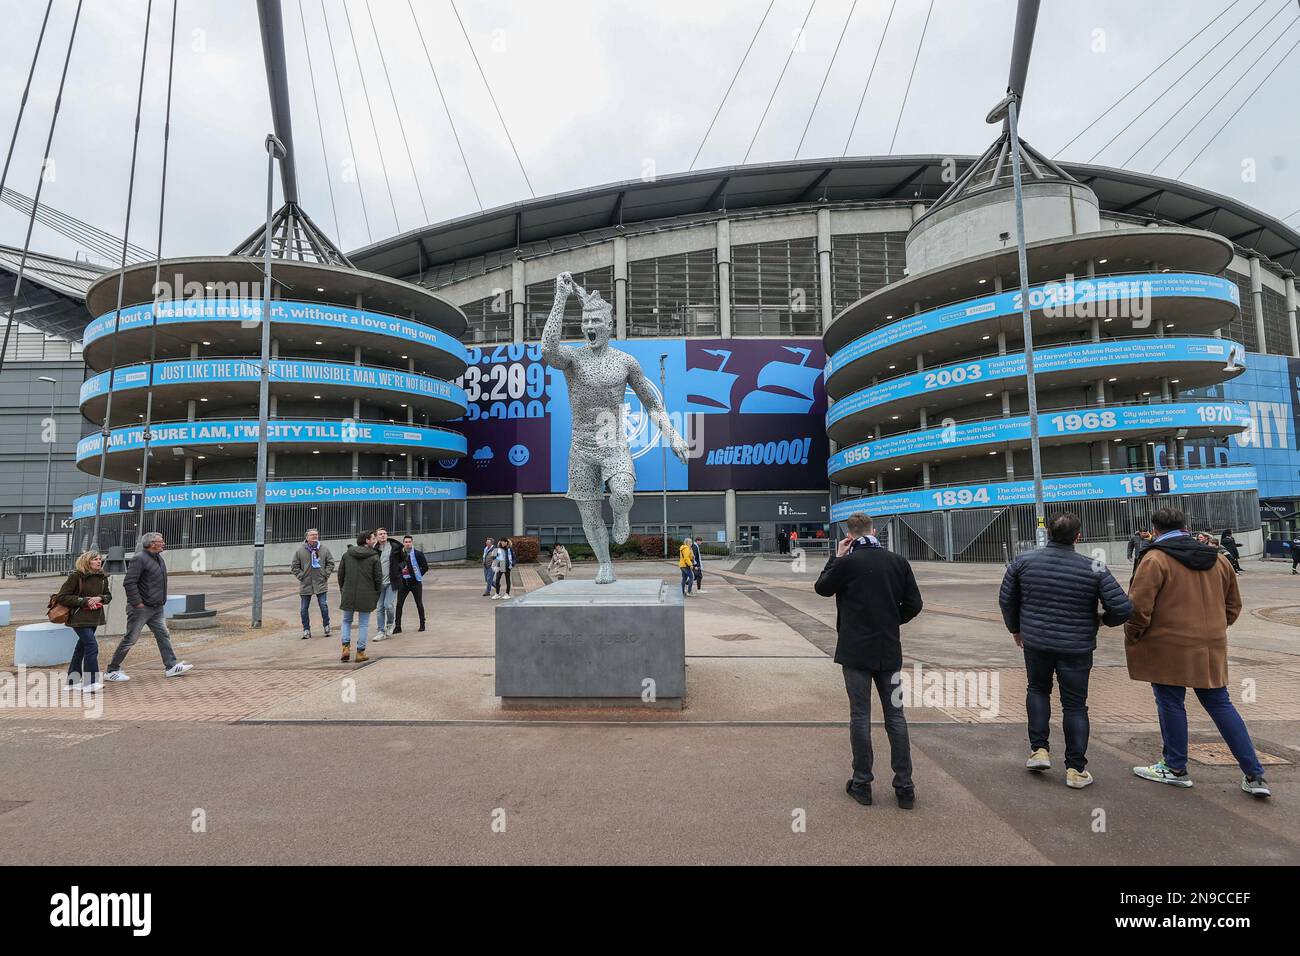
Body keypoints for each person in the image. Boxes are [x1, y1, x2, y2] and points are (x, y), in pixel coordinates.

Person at [542, 271, 690, 585]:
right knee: (589, 515)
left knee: (622, 493)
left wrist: (673, 434)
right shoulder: (573, 359)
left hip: (612, 442)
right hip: (580, 448)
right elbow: (548, 350)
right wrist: (561, 297)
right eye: (585, 323)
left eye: (596, 322)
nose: (589, 328)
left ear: (609, 326)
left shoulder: (626, 362)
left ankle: (621, 513)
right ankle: (605, 564)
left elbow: (653, 402)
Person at [1125, 507, 1270, 797]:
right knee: (1220, 704)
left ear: (1154, 529)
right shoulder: (1217, 558)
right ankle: (1255, 775)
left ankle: (1175, 767)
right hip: (1210, 646)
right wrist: (1214, 629)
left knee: (1170, 702)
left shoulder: (1155, 559)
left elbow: (1139, 607)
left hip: (1167, 645)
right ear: (1186, 526)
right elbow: (1233, 605)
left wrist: (1134, 634)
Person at [998, 511, 1132, 789]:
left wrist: (1016, 629)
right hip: (1077, 647)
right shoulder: (1094, 566)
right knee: (1074, 705)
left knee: (1037, 689)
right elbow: (1122, 608)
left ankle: (1039, 750)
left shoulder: (1023, 562)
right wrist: (1102, 621)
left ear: (1048, 534)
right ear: (1078, 537)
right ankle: (1075, 769)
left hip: (1036, 643)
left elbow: (1007, 599)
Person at [814, 512, 923, 810]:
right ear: (874, 530)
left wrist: (837, 557)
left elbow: (822, 588)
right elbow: (915, 604)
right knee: (896, 718)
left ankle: (862, 784)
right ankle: (905, 788)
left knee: (860, 716)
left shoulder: (847, 563)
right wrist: (891, 622)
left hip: (854, 651)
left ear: (849, 535)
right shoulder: (897, 561)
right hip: (889, 650)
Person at [104, 532, 192, 681]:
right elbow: (129, 582)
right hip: (141, 609)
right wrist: (138, 603)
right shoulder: (139, 559)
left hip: (156, 607)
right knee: (130, 639)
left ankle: (171, 666)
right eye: (160, 541)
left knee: (163, 635)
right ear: (152, 544)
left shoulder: (159, 558)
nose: (163, 543)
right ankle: (112, 670)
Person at [56, 550, 113, 692]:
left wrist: (101, 598)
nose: (99, 561)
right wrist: (84, 601)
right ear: (87, 561)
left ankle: (72, 682)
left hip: (94, 617)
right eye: (95, 559)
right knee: (91, 646)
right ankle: (90, 682)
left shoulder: (102, 577)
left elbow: (108, 596)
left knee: (81, 648)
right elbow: (62, 597)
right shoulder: (76, 576)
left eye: (100, 559)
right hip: (78, 618)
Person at [338, 530, 382, 663]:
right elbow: (378, 579)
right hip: (367, 594)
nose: (375, 540)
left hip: (348, 593)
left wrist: (343, 590)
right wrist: (376, 595)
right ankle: (360, 652)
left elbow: (341, 575)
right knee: (363, 624)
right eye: (373, 538)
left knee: (346, 621)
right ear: (367, 541)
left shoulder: (347, 555)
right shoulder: (374, 557)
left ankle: (345, 648)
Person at [291, 528, 335, 640]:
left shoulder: (324, 549)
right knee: (303, 608)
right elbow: (294, 567)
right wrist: (302, 577)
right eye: (312, 535)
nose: (315, 536)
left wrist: (326, 574)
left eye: (316, 534)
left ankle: (327, 626)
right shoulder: (300, 550)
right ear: (307, 537)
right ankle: (306, 629)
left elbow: (331, 563)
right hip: (306, 584)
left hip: (320, 582)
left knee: (323, 605)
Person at [371, 528, 404, 640]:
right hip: (380, 583)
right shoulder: (374, 549)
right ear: (376, 537)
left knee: (388, 605)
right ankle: (381, 631)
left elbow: (404, 559)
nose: (383, 535)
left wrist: (399, 568)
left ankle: (390, 624)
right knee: (380, 608)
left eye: (385, 534)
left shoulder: (395, 547)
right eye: (380, 534)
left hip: (392, 582)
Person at [394, 535, 428, 633]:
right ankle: (398, 626)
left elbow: (425, 567)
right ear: (403, 543)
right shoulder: (399, 554)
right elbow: (395, 567)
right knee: (399, 604)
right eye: (406, 541)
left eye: (409, 541)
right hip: (403, 583)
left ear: (412, 543)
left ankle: (422, 624)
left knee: (419, 604)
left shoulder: (418, 554)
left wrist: (418, 575)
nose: (408, 543)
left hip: (415, 583)